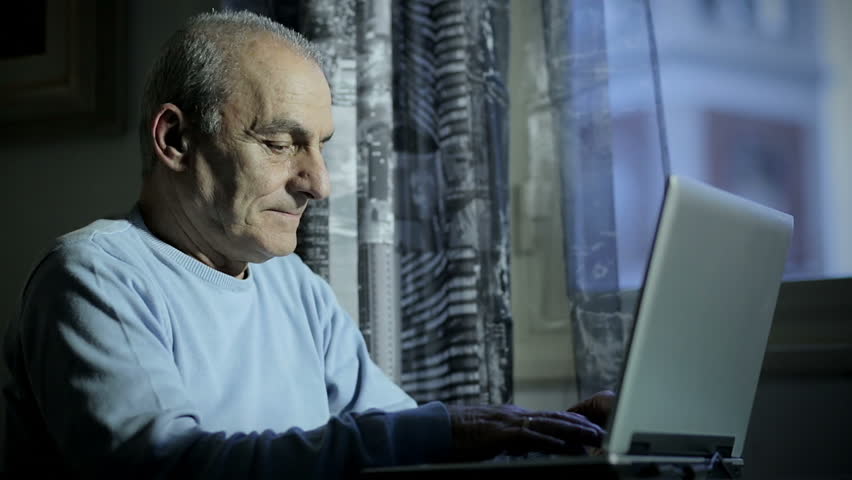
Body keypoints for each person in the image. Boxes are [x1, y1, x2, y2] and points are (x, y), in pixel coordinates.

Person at [2, 10, 612, 479]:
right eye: (279, 143)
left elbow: (398, 436)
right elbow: (167, 467)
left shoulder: (292, 284)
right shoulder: (91, 277)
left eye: (321, 144)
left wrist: (544, 434)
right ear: (176, 139)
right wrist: (442, 432)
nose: (317, 183)